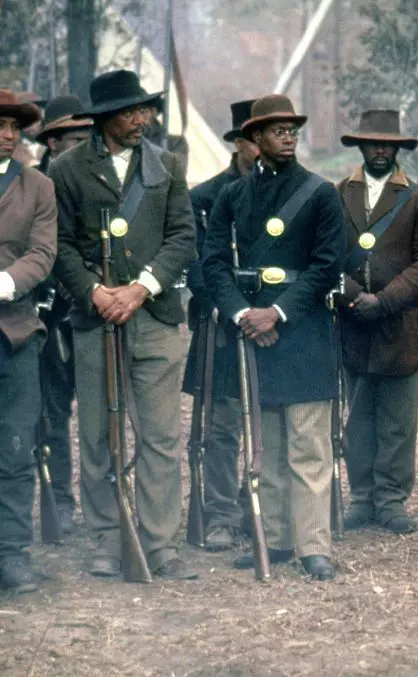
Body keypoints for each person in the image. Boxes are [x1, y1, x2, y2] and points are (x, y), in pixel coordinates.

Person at [50, 70, 197, 580]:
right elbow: (60, 244)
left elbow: (182, 237)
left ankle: (159, 545)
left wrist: (142, 288)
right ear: (105, 119)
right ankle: (108, 540)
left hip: (153, 316)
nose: (142, 120)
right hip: (96, 321)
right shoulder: (67, 170)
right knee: (97, 435)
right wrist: (94, 291)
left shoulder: (168, 166)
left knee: (159, 436)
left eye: (146, 111)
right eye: (132, 112)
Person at [203, 94, 343, 581]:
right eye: (276, 130)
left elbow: (329, 265)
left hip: (302, 330)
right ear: (254, 140)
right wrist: (244, 314)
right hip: (253, 331)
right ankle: (278, 540)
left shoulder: (320, 193)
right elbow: (214, 263)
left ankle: (314, 546)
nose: (288, 137)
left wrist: (277, 313)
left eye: (292, 129)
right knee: (267, 443)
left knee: (309, 443)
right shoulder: (233, 197)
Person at [334, 110, 418, 535]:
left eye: (388, 143)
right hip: (352, 322)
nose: (380, 149)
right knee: (358, 415)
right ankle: (361, 497)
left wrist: (385, 300)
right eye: (373, 142)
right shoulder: (337, 194)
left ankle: (392, 499)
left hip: (401, 326)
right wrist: (352, 296)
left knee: (397, 418)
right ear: (361, 146)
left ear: (398, 149)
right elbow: (324, 256)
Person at [182, 99, 258, 551]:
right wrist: (229, 309)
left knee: (271, 422)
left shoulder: (295, 193)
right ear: (241, 144)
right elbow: (197, 266)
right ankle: (223, 514)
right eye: (254, 140)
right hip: (223, 329)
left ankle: (265, 509)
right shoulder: (205, 198)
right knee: (222, 427)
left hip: (274, 326)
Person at [0, 89, 57, 594]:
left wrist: (4, 282)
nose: (7, 135)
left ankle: (12, 553)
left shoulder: (38, 186)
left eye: (13, 127)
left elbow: (42, 252)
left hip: (14, 333)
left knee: (16, 448)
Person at [33, 95, 94, 533]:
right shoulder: (27, 187)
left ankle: (104, 503)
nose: (84, 146)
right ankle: (60, 502)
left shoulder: (92, 183)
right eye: (75, 139)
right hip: (45, 320)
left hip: (92, 313)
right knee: (51, 415)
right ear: (52, 143)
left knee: (99, 410)